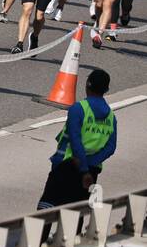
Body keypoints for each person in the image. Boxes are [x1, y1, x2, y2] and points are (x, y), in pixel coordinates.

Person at [36, 68, 116, 218]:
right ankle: (69, 240)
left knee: (47, 207)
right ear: (106, 89)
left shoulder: (79, 109)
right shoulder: (111, 117)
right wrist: (90, 165)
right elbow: (111, 147)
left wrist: (83, 166)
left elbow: (75, 140)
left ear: (87, 85)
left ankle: (37, 240)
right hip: (92, 170)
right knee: (76, 211)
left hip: (68, 164)